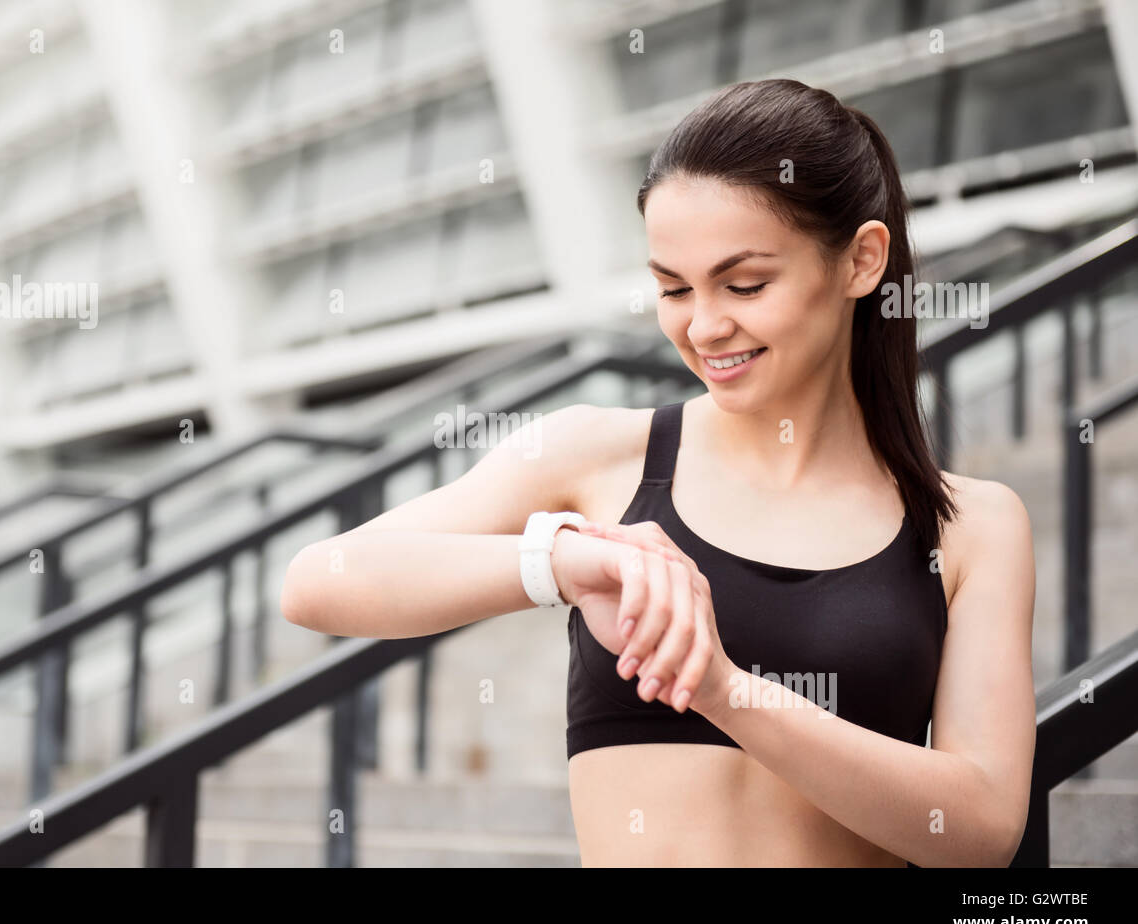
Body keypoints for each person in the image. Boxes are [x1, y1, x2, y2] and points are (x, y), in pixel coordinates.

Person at [280, 78, 1036, 867]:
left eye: (746, 284)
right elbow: (319, 580)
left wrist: (725, 689)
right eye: (673, 288)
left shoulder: (971, 526)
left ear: (861, 261)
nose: (705, 326)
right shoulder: (599, 456)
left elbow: (980, 827)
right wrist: (563, 560)